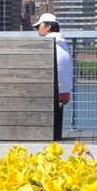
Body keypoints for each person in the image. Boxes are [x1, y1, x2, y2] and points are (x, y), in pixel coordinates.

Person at [38, 12, 73, 140]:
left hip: (53, 93)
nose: (37, 30)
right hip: (64, 92)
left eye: (39, 26)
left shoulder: (48, 43)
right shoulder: (63, 43)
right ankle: (56, 133)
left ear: (48, 27)